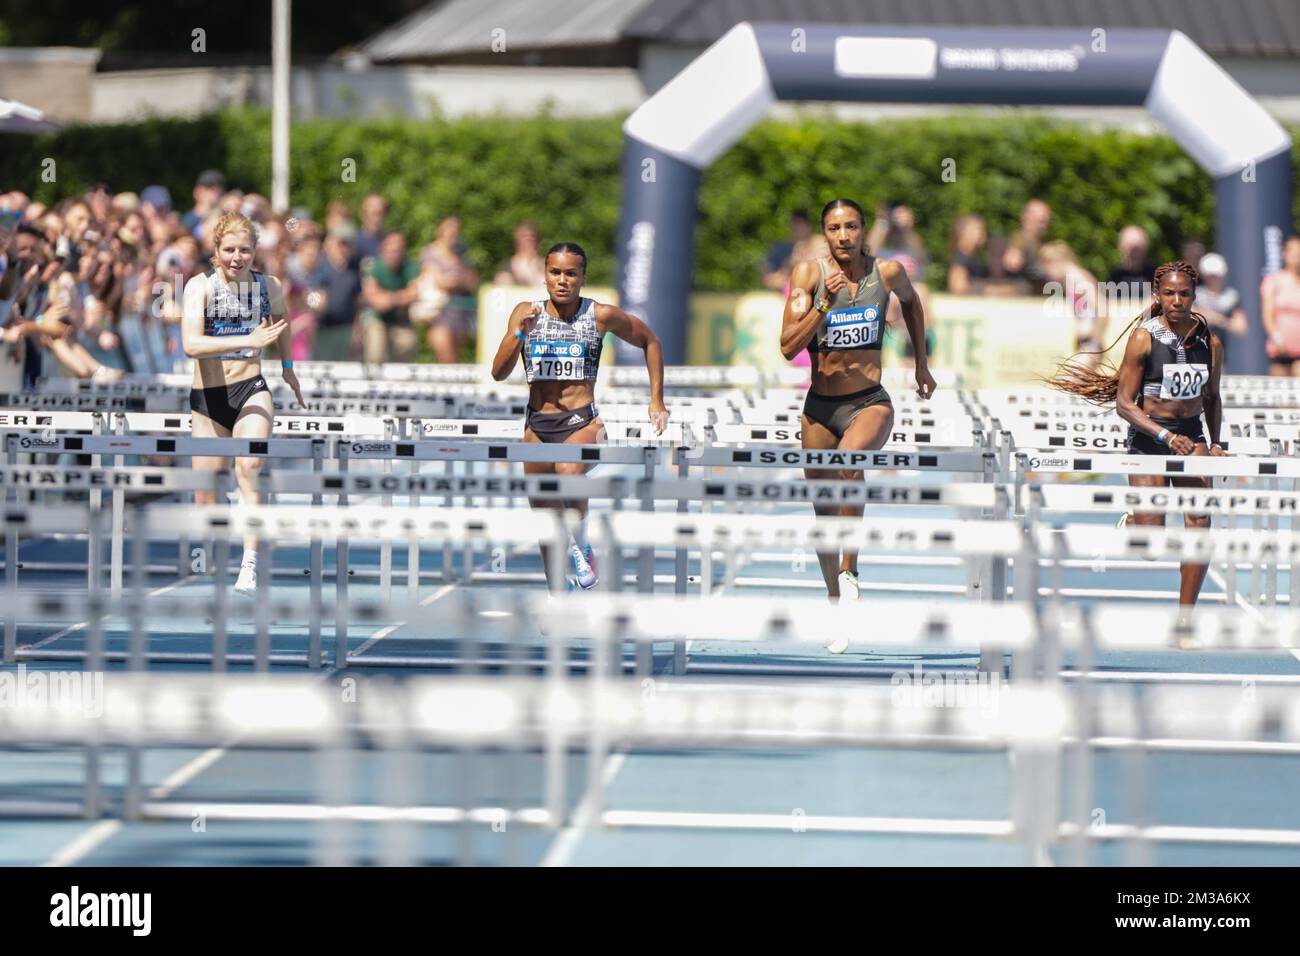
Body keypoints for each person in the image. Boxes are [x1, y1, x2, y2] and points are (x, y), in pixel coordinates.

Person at [780, 198, 937, 645]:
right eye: (834, 228)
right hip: (819, 408)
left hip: (870, 401)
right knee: (824, 512)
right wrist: (821, 307)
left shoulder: (887, 273)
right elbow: (788, 347)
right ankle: (836, 601)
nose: (844, 236)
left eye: (851, 226)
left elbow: (913, 305)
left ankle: (850, 571)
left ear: (864, 230)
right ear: (824, 233)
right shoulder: (808, 275)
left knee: (851, 461)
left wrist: (921, 363)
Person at [1046, 261, 1224, 619]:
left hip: (1192, 435)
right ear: (1158, 295)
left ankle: (1185, 620)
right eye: (1169, 293)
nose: (1177, 301)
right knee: (1151, 546)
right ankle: (1133, 522)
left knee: (1199, 522)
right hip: (1149, 437)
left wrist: (1216, 442)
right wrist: (1165, 436)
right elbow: (1125, 405)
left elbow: (1212, 397)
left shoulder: (1210, 342)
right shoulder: (1144, 338)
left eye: (1184, 293)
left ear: (1195, 296)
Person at [490, 241, 667, 593]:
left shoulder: (599, 315)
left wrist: (656, 400)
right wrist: (520, 332)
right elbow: (498, 372)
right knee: (544, 518)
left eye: (571, 273)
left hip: (583, 421)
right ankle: (557, 592)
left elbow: (651, 341)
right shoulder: (525, 312)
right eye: (555, 272)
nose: (562, 280)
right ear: (544, 275)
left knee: (568, 470)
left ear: (583, 277)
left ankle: (581, 545)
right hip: (537, 425)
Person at [182, 212, 305, 595]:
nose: (237, 258)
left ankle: (250, 560)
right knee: (206, 494)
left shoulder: (269, 286)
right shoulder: (199, 287)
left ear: (255, 251)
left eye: (245, 250)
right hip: (209, 398)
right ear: (217, 251)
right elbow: (191, 345)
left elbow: (282, 323)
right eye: (230, 250)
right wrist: (246, 340)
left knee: (250, 466)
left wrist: (287, 367)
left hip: (251, 388)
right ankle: (215, 553)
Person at [412, 217, 479, 364]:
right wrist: (459, 281)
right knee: (446, 356)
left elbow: (472, 280)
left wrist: (455, 281)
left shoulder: (460, 252)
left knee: (455, 357)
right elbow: (440, 282)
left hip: (460, 312)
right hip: (440, 311)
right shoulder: (430, 253)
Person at [1039, 241, 1105, 369]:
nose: (1048, 274)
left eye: (1047, 267)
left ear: (1055, 261)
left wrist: (1094, 341)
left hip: (1090, 344)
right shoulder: (1071, 279)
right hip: (1086, 344)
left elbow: (1102, 308)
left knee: (1068, 378)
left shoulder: (1077, 278)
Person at [359, 230, 420, 364]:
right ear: (383, 249)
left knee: (408, 345)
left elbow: (415, 293)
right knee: (375, 354)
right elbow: (376, 302)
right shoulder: (374, 268)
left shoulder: (409, 267)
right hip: (376, 319)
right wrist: (401, 297)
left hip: (401, 321)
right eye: (392, 250)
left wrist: (388, 297)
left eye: (399, 250)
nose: (395, 254)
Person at [1194, 253, 1247, 363]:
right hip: (1195, 352)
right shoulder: (1195, 295)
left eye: (1217, 276)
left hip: (1220, 354)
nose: (1214, 279)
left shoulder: (1231, 297)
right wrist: (1201, 317)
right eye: (1211, 276)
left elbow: (1241, 327)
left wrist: (1219, 320)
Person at [1261, 235, 1300, 377]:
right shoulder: (1273, 281)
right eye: (1293, 252)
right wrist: (1277, 339)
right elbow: (1268, 314)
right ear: (1285, 254)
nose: (1297, 257)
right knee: (1280, 388)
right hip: (1280, 349)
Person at [1002, 199, 1052, 293]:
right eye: (1041, 220)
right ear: (1026, 218)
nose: (1044, 224)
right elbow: (1012, 261)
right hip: (1021, 292)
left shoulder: (1041, 242)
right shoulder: (1020, 238)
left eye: (1046, 220)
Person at [762, 210, 813, 292]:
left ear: (808, 227)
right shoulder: (780, 249)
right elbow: (768, 279)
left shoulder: (818, 248)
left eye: (801, 224)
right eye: (796, 224)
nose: (798, 229)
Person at [494, 220, 546, 288]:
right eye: (524, 238)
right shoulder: (506, 266)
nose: (528, 242)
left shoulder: (546, 264)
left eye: (532, 238)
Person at [947, 214, 989, 295]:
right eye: (978, 229)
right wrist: (988, 289)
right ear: (963, 232)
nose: (982, 233)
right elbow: (957, 287)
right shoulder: (961, 259)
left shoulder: (971, 257)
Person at [1108, 225, 1156, 291]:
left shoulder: (1155, 274)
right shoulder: (1115, 275)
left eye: (1137, 249)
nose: (1134, 254)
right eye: (1130, 249)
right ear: (1120, 248)